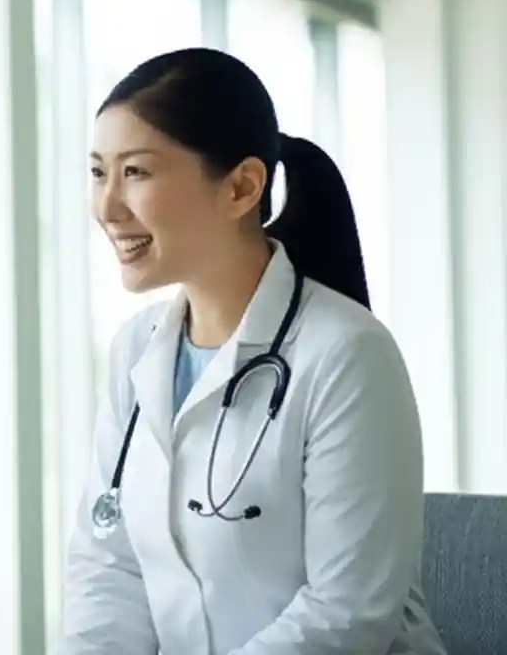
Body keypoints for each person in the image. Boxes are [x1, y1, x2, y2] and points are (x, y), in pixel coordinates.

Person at [58, 48, 446, 654]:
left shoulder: (346, 355)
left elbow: (346, 613)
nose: (106, 208)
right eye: (98, 172)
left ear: (241, 187)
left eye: (135, 173)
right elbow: (109, 569)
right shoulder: (136, 351)